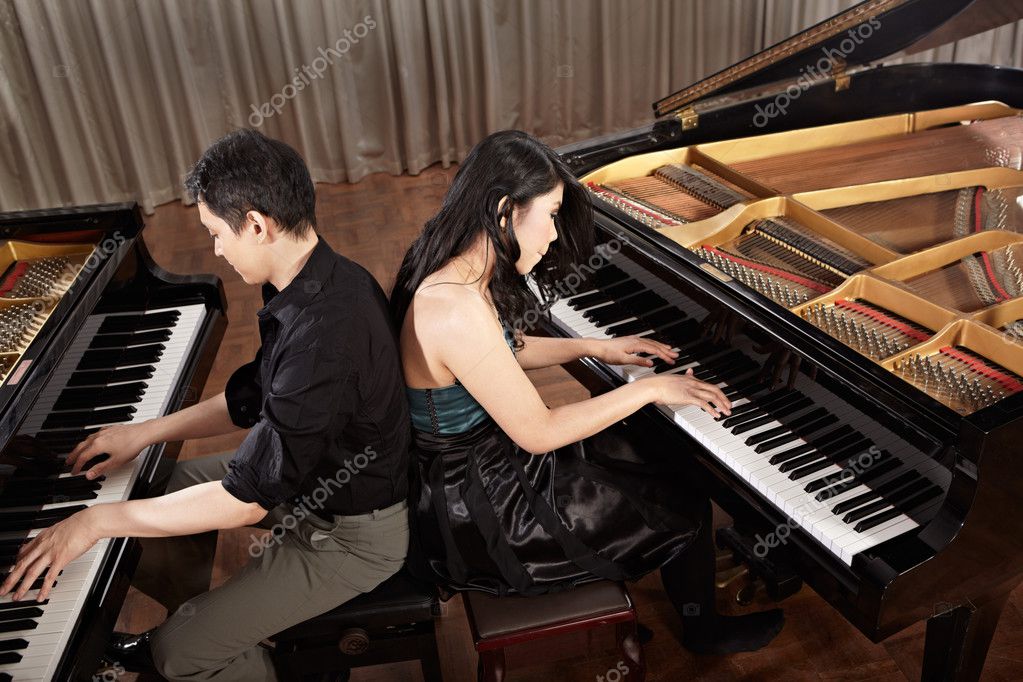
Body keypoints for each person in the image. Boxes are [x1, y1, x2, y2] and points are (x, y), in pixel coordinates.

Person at [0, 129, 411, 681]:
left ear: (258, 225)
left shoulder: (325, 335)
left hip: (353, 534)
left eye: (216, 233)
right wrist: (144, 433)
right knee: (150, 487)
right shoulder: (312, 280)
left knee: (179, 654)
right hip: (312, 481)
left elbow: (245, 502)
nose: (215, 248)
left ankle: (232, 650)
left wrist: (96, 523)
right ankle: (211, 616)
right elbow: (250, 399)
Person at [390, 130, 784, 654]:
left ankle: (630, 594)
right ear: (506, 210)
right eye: (551, 214)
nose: (554, 234)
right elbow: (539, 433)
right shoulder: (454, 307)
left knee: (651, 451)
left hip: (483, 471)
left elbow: (503, 351)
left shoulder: (456, 270)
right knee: (683, 505)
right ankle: (701, 631)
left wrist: (599, 347)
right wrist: (652, 390)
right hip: (482, 509)